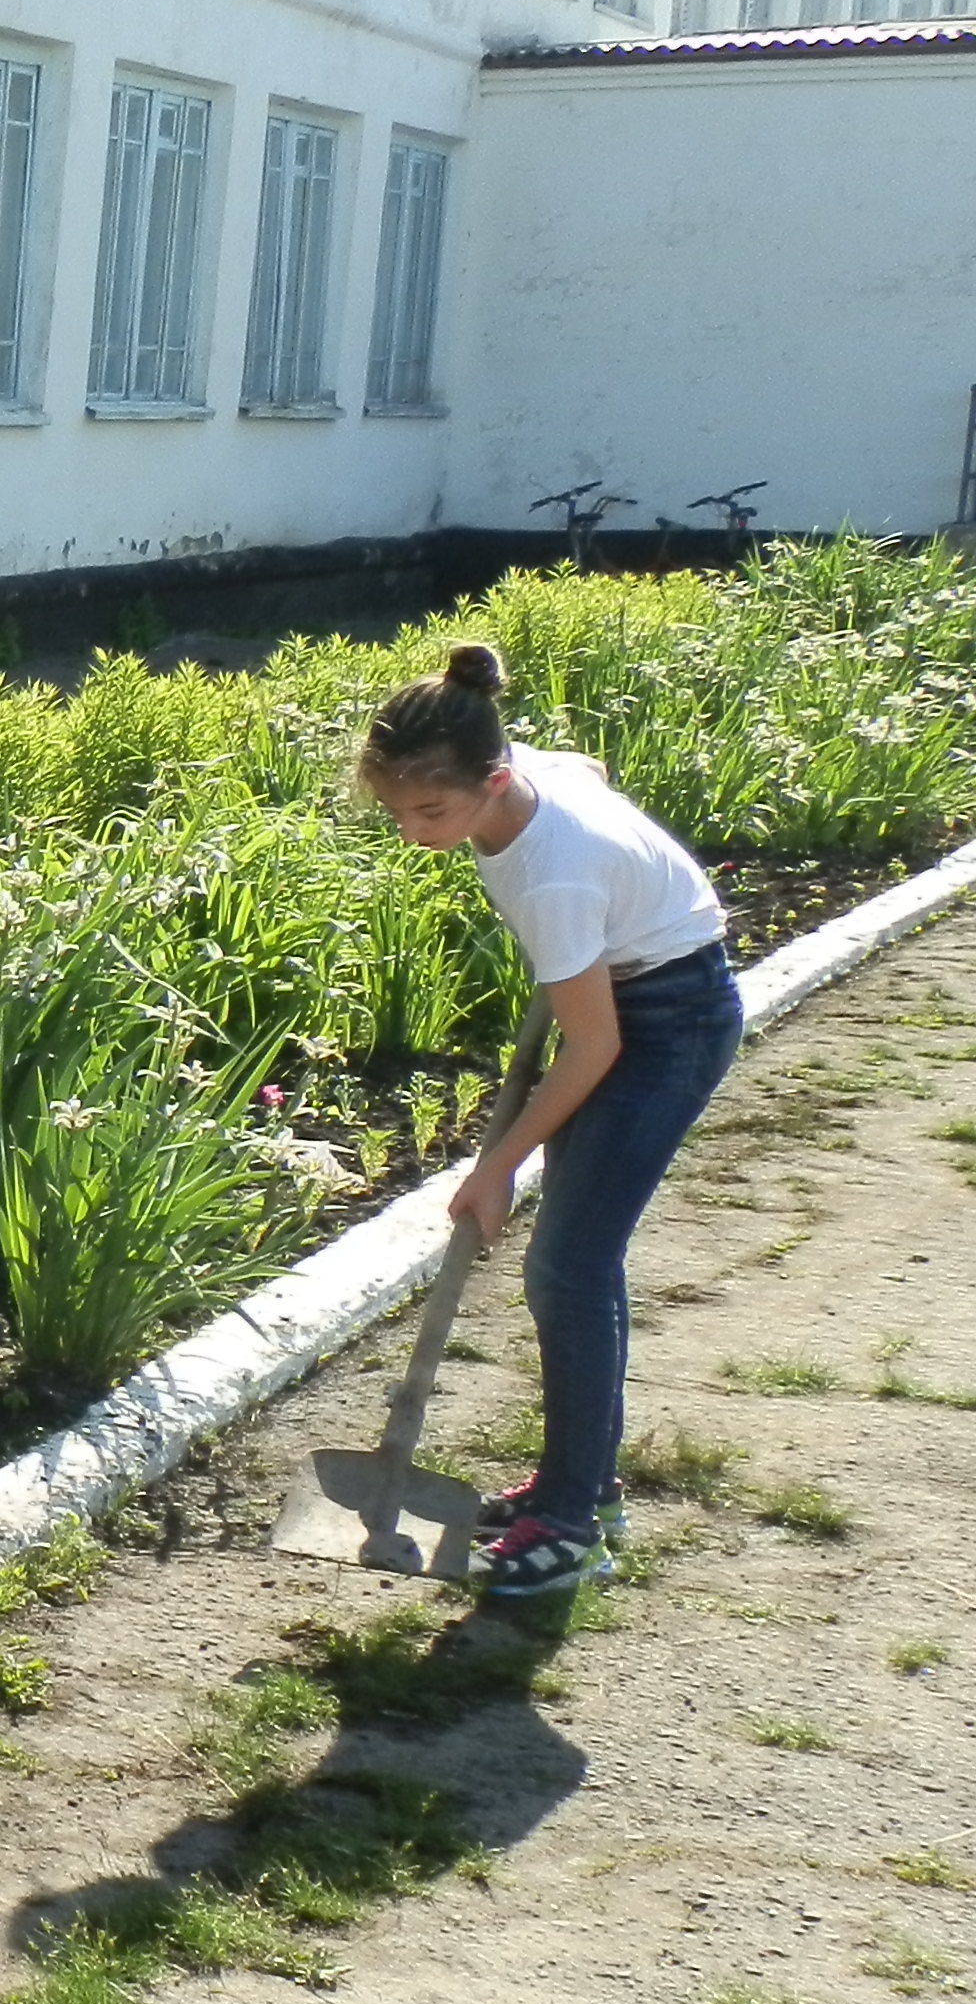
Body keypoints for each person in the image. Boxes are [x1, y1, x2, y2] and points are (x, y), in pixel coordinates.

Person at [360, 638, 740, 1600]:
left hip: (665, 1023)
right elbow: (586, 770)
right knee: (577, 1265)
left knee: (566, 1266)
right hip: (630, 994)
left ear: (491, 783)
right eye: (397, 810)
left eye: (431, 811)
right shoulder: (521, 776)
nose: (412, 831)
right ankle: (583, 1488)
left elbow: (596, 1049)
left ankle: (572, 1525)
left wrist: (499, 1167)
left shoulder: (553, 875)